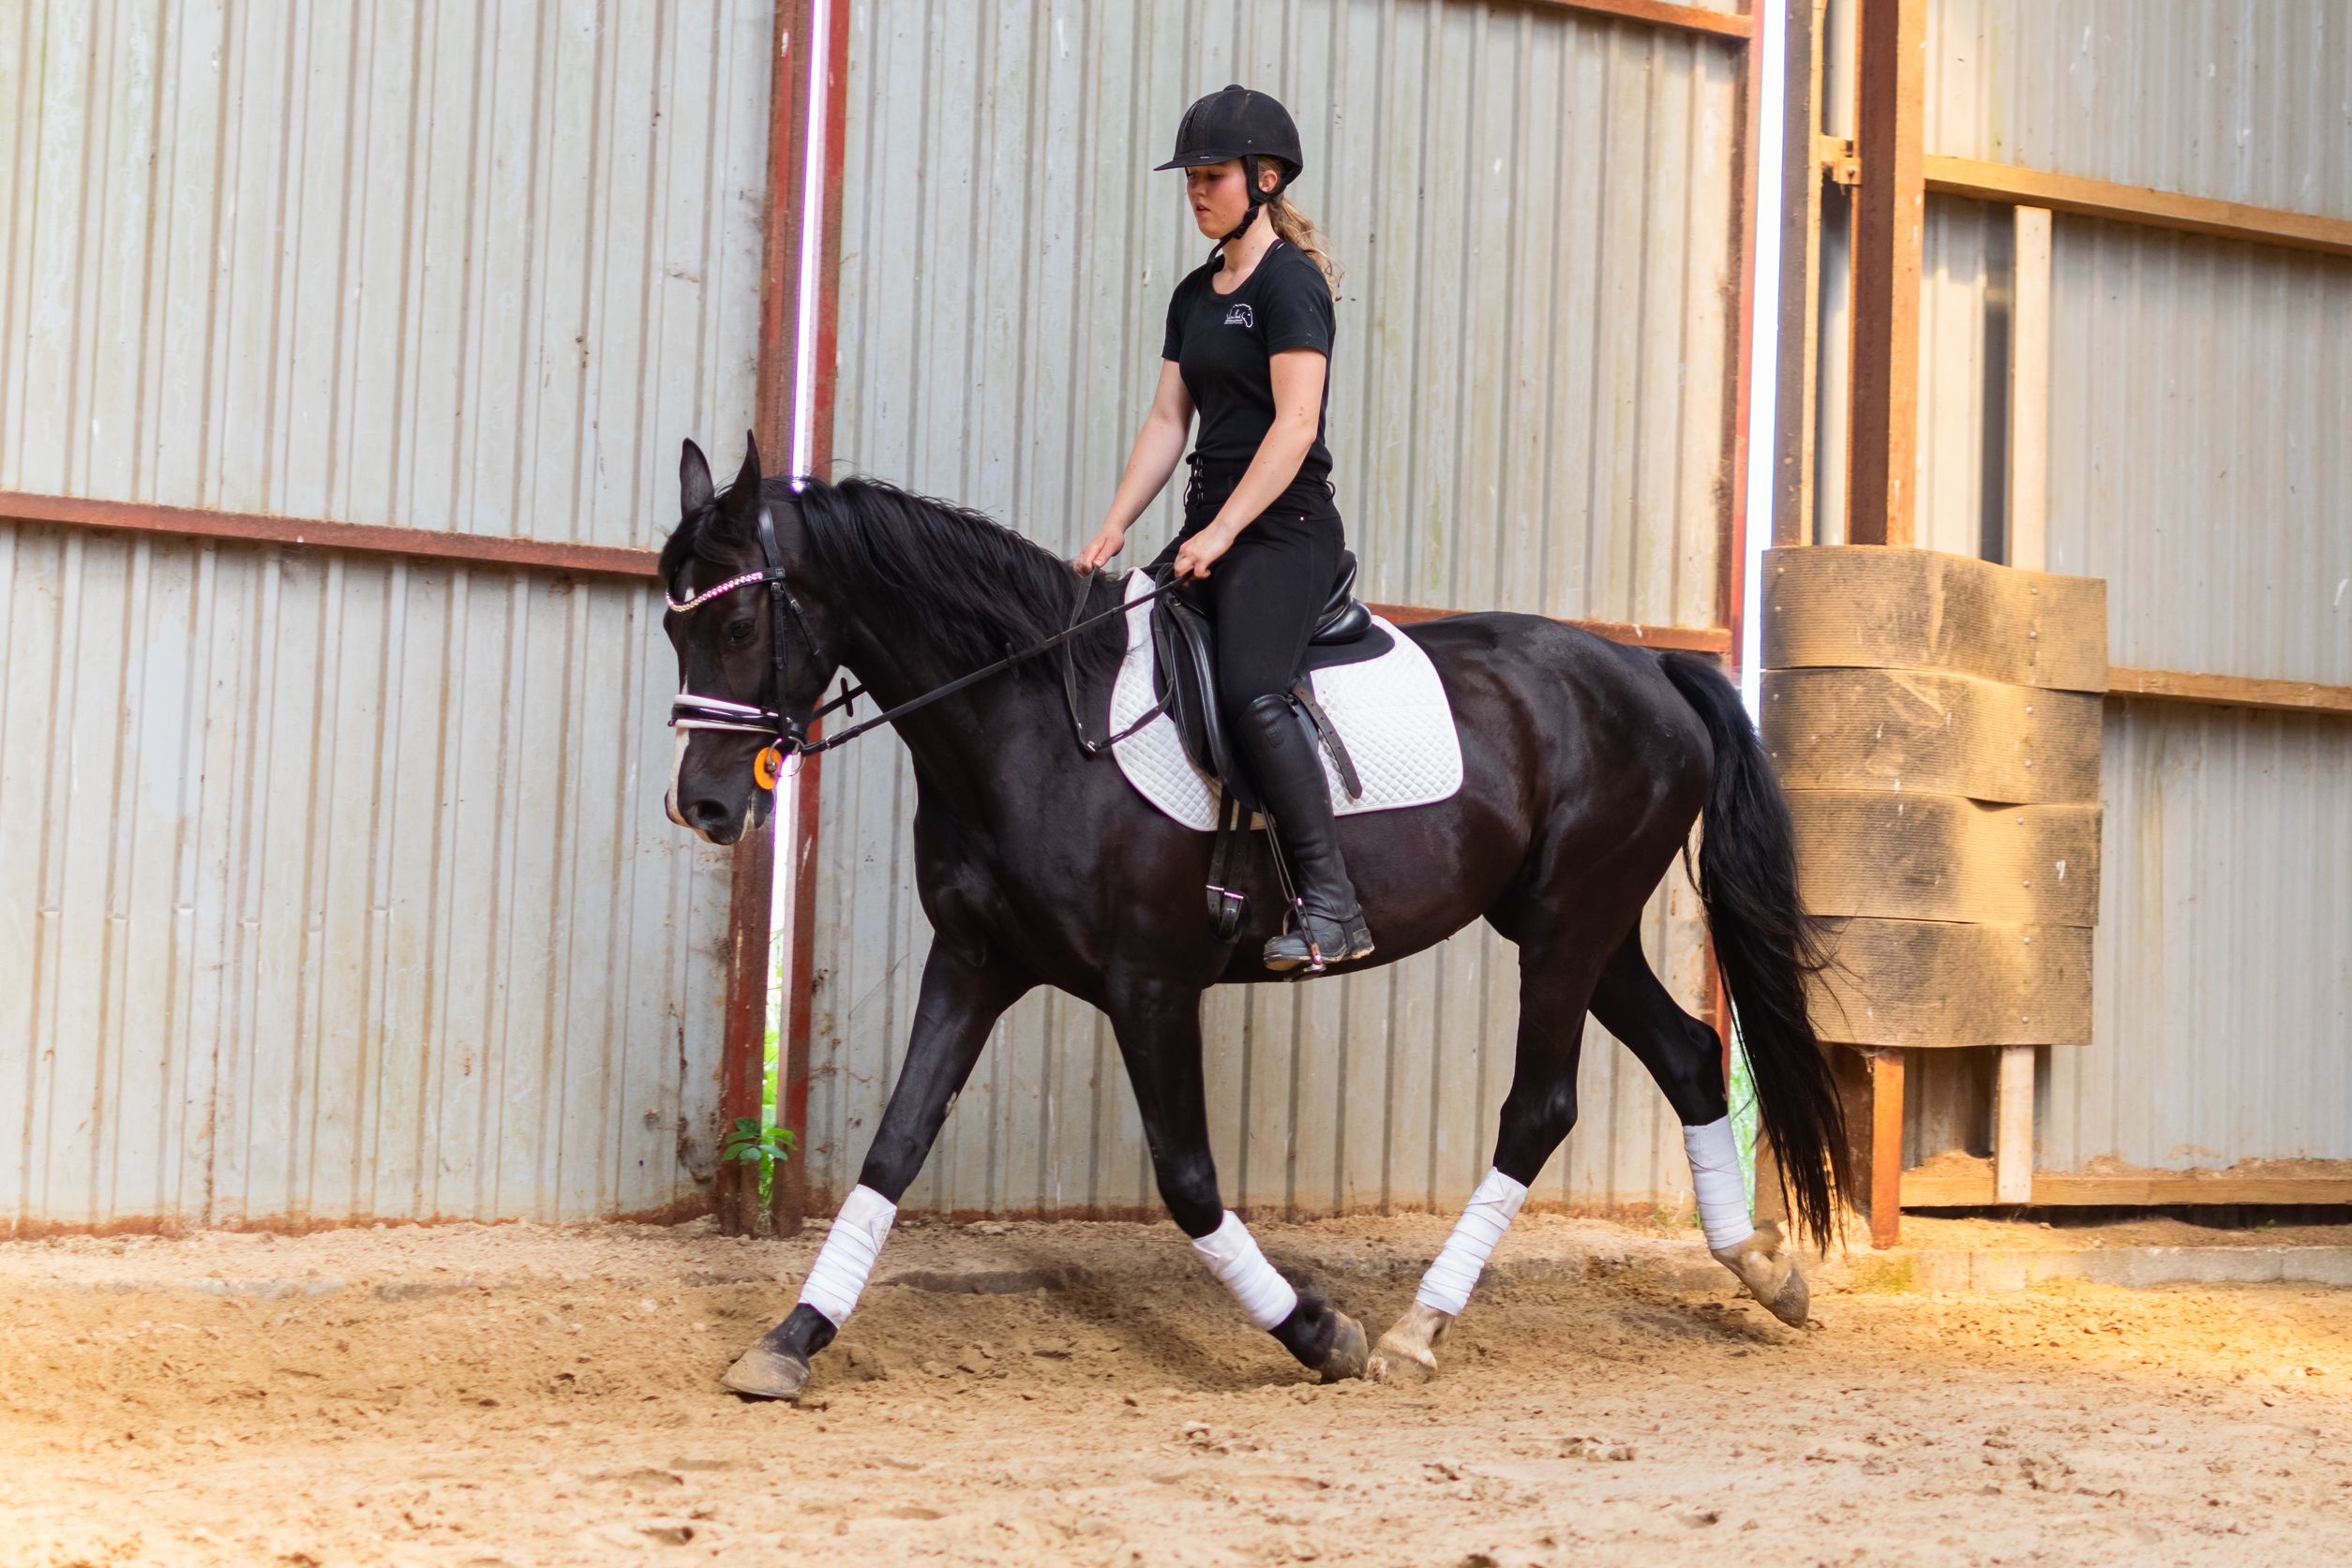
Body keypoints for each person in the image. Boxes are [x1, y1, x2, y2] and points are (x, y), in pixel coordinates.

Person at [1074, 84, 1371, 974]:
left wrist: (1225, 529)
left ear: (1264, 178)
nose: (1196, 191)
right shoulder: (1195, 294)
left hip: (1283, 531)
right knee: (1118, 643)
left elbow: (1293, 427)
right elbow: (1169, 420)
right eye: (1190, 178)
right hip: (1212, 526)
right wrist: (1116, 525)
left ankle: (1332, 903)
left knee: (1249, 686)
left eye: (1211, 176)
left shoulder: (1291, 284)